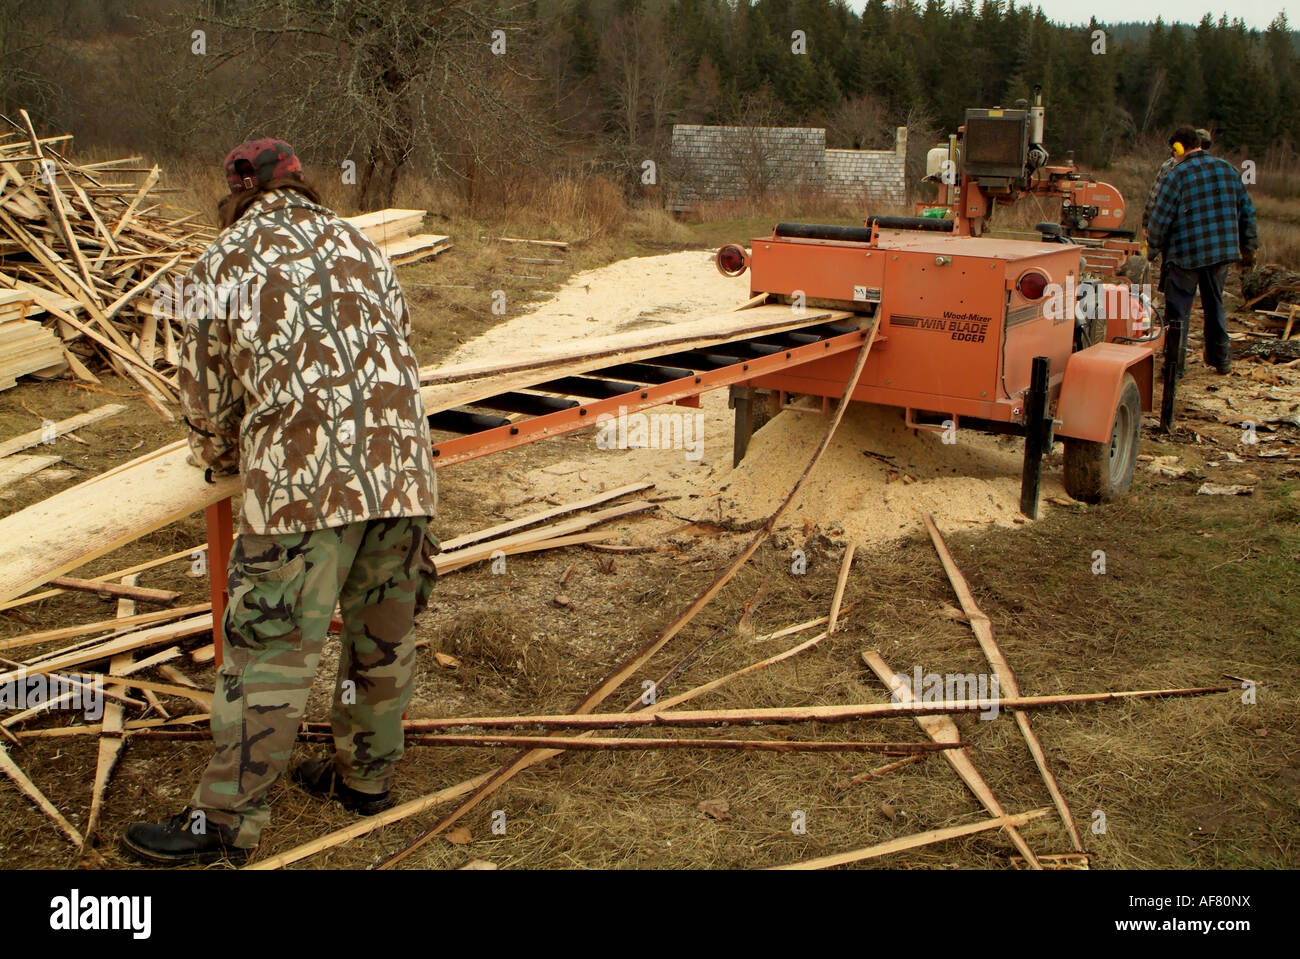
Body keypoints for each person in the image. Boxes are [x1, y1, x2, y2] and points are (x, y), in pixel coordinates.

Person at [121, 139, 439, 865]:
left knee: (267, 651)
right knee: (380, 638)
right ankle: (365, 779)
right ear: (302, 184)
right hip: (403, 471)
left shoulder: (223, 261)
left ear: (235, 195)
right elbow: (401, 346)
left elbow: (205, 393)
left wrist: (223, 458)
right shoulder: (365, 244)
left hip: (304, 486)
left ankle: (225, 822)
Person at [1146, 125, 1258, 376]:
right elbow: (1247, 212)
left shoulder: (1176, 175)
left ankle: (1175, 366)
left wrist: (1152, 249)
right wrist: (1249, 247)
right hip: (1221, 253)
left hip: (1185, 255)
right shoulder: (1229, 170)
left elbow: (1160, 217)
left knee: (1178, 312)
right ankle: (1221, 359)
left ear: (1178, 147)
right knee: (1215, 304)